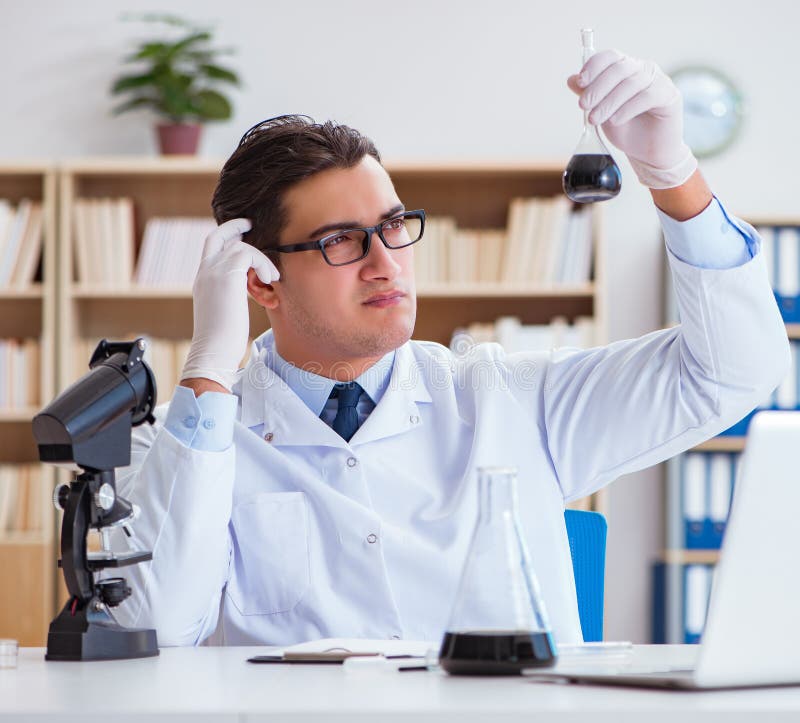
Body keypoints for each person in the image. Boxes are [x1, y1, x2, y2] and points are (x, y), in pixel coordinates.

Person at [110, 50, 789, 647]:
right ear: (261, 278)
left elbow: (735, 370)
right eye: (341, 241)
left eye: (394, 225)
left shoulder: (511, 399)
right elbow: (159, 624)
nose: (386, 263)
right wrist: (207, 368)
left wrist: (672, 173)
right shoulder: (184, 443)